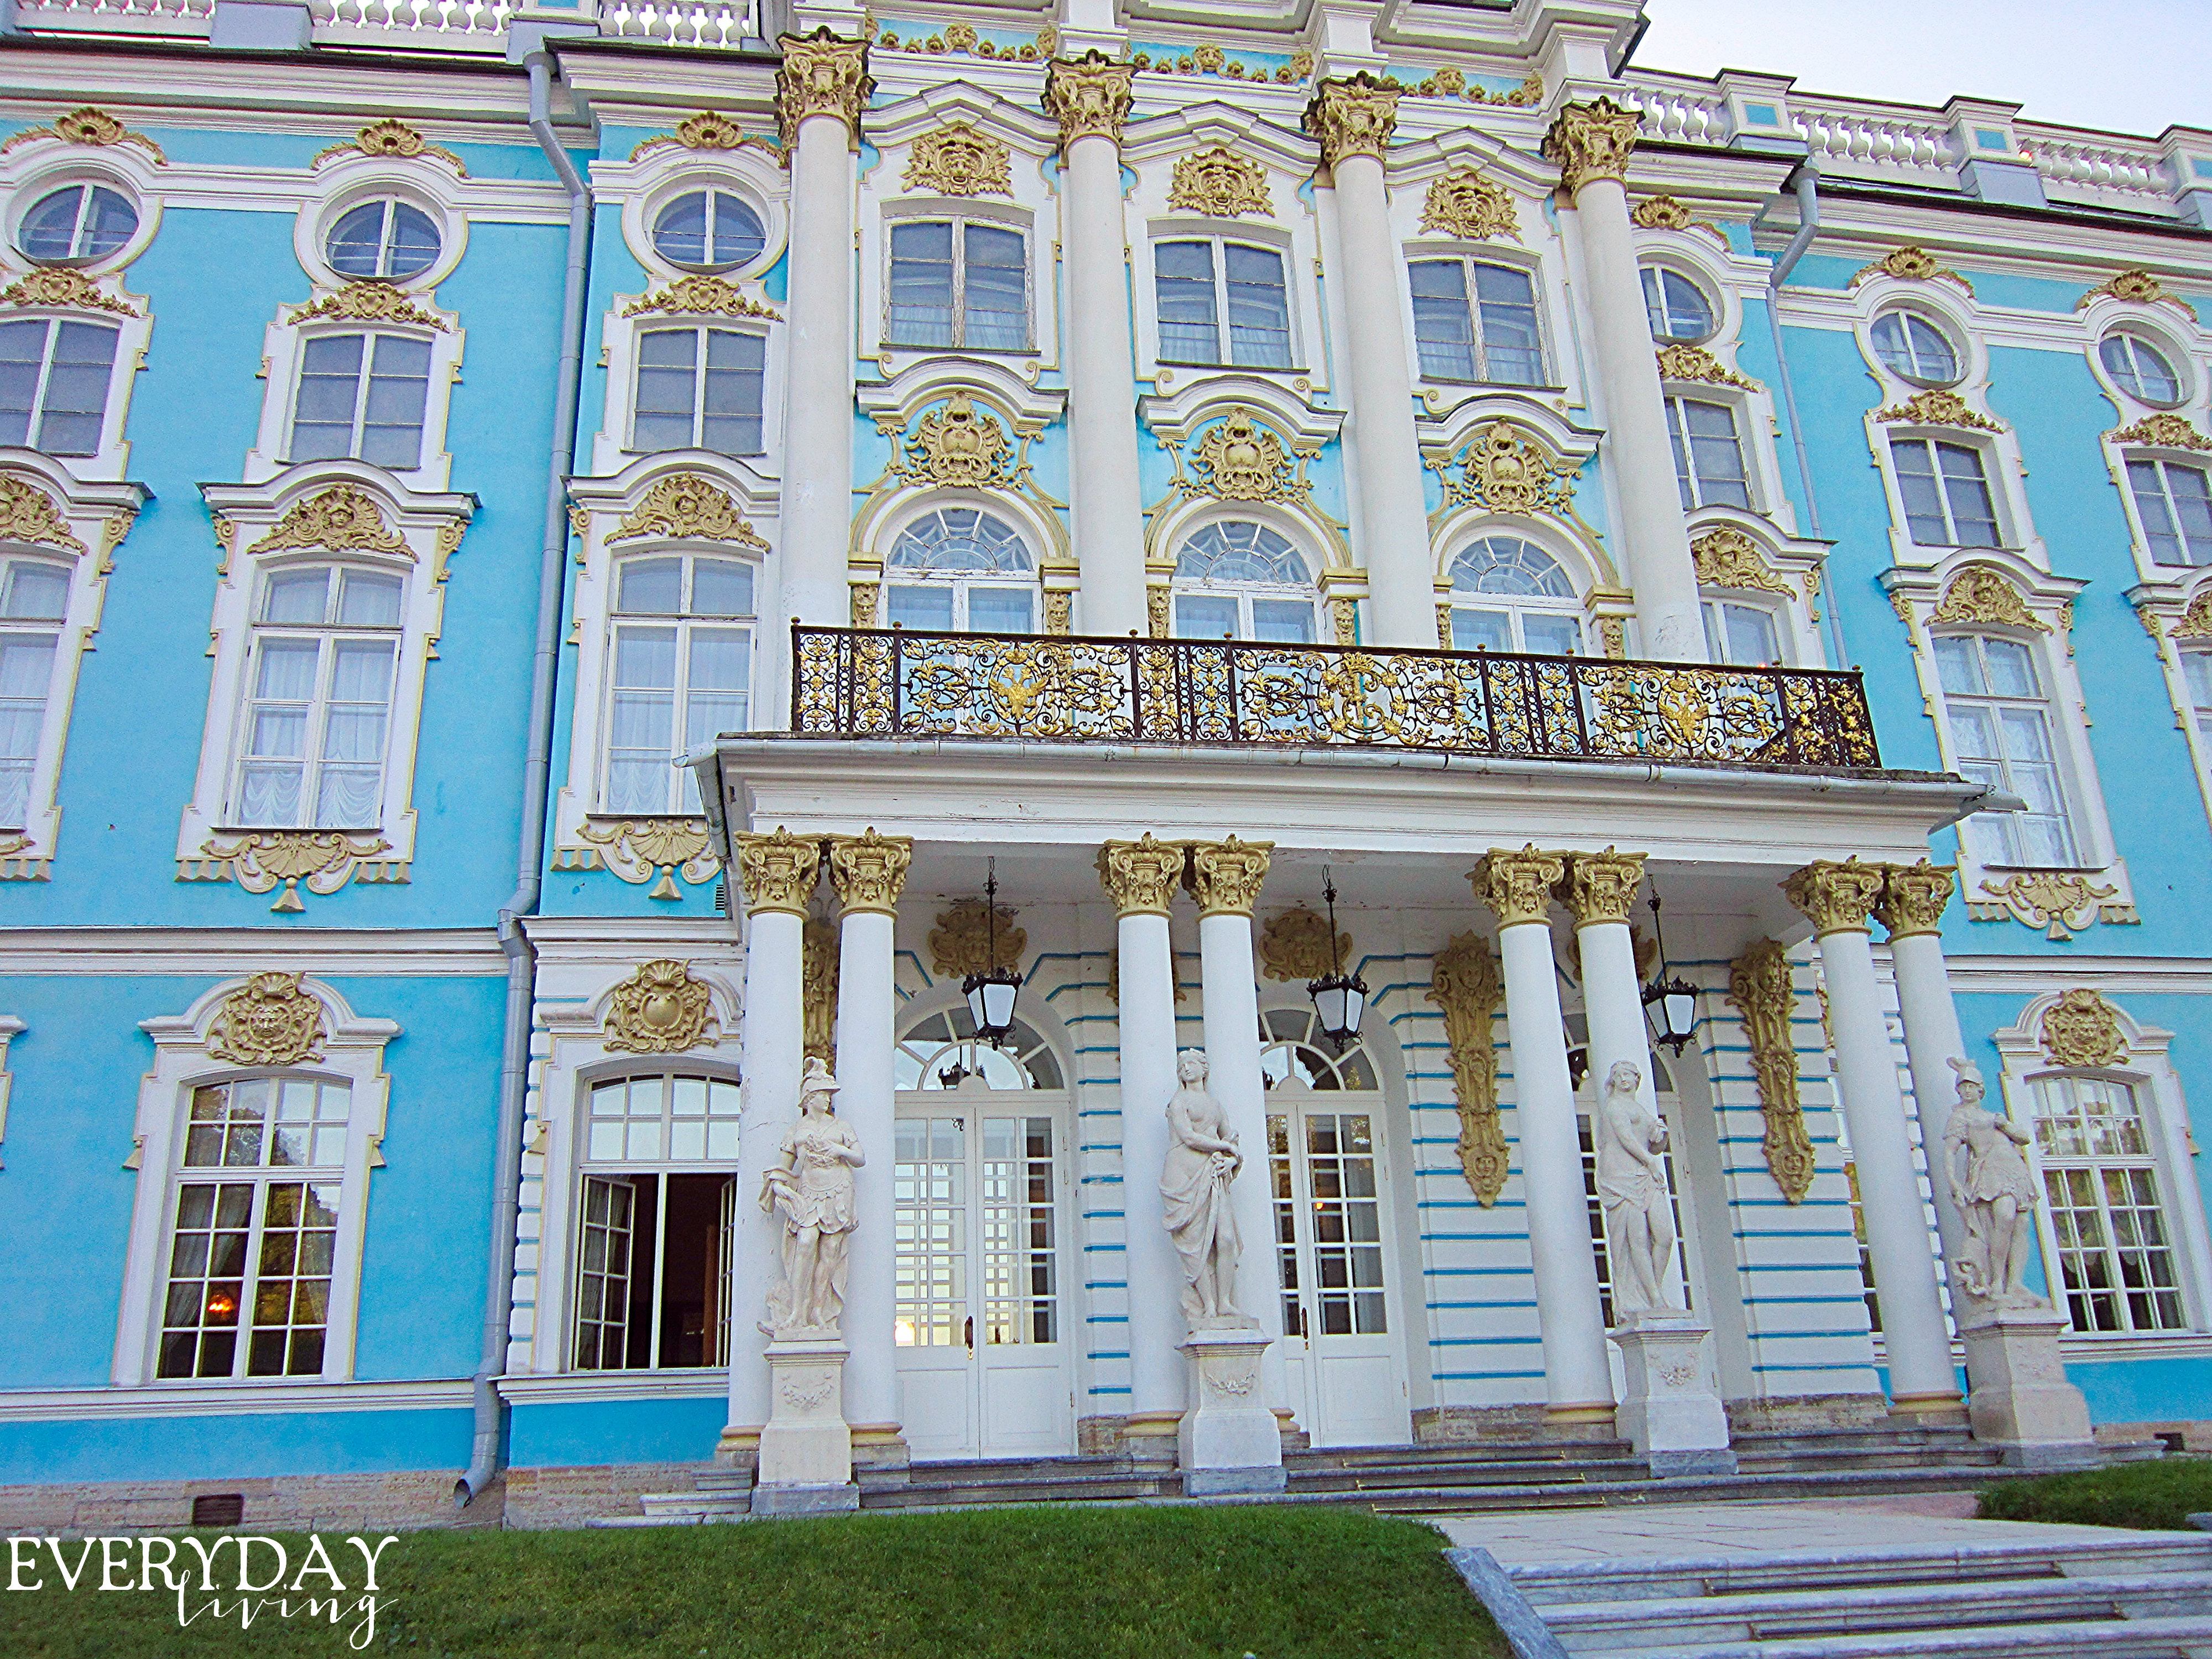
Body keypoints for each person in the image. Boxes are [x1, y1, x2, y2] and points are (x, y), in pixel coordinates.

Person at [759, 1053, 865, 1336]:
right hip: (809, 1193)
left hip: (839, 1191)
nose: (828, 1099)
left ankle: (819, 1311)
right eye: (823, 1094)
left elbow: (860, 1159)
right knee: (805, 1245)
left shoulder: (842, 1127)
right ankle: (796, 1311)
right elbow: (784, 1168)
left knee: (830, 1253)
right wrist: (778, 1185)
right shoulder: (796, 1131)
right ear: (809, 1097)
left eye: (829, 1095)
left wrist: (839, 1151)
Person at [1159, 1050, 1251, 1327]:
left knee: (1225, 1240)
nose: (1186, 1069)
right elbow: (1188, 1136)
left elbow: (1230, 1137)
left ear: (1204, 1069)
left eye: (1191, 1064)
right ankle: (1208, 1305)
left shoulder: (1215, 1103)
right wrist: (1225, 1147)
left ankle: (1224, 1302)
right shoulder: (1178, 1102)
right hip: (1182, 1175)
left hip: (1213, 1174)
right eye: (1181, 1066)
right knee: (1195, 1245)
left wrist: (1233, 1159)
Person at [1940, 1056, 2042, 1307]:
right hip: (1990, 1173)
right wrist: (1954, 1181)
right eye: (1963, 1087)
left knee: (2021, 1226)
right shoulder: (1960, 1117)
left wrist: (2003, 1124)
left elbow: (2024, 1138)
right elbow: (1950, 1151)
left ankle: (2015, 1282)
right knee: (2004, 1218)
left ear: (1980, 1089)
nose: (1967, 1091)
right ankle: (1997, 1279)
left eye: (1971, 1086)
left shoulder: (1994, 1116)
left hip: (2014, 1172)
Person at [1594, 1059, 1678, 1318]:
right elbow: (1626, 1139)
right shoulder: (1614, 1106)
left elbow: (1653, 1146)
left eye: (1628, 1074)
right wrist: (1652, 1162)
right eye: (1618, 1075)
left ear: (1637, 1078)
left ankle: (1653, 1289)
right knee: (1637, 1240)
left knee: (1664, 1235)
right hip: (1621, 1177)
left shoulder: (1638, 1107)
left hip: (1643, 1174)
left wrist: (1661, 1137)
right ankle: (1654, 1298)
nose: (1623, 1079)